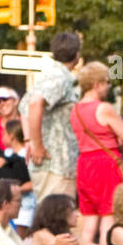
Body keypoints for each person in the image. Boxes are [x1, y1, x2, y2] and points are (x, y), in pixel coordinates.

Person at [70, 61, 123, 245]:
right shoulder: (103, 108)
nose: (108, 86)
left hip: (84, 163)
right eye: (106, 82)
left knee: (89, 218)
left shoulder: (75, 110)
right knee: (108, 215)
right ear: (96, 84)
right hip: (105, 164)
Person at [24, 31, 83, 200]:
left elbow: (23, 107)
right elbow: (34, 103)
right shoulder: (59, 77)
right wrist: (36, 145)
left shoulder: (49, 75)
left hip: (51, 165)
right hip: (56, 165)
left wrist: (29, 139)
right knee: (56, 220)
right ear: (77, 55)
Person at [28, 192, 111, 245]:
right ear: (60, 213)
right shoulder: (42, 234)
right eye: (73, 210)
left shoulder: (65, 234)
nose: (78, 215)